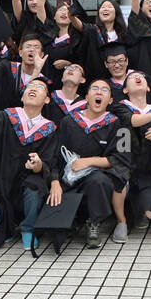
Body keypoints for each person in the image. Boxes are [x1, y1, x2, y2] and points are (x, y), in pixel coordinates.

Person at [0, 78, 62, 251]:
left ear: (47, 100)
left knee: (35, 186)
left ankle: (29, 228)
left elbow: (51, 161)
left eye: (40, 87)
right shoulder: (5, 117)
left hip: (27, 190)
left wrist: (39, 166)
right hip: (0, 187)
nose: (33, 88)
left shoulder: (49, 129)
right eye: (29, 86)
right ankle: (6, 227)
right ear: (22, 96)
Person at [53, 78, 132, 246]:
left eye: (104, 90)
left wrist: (89, 162)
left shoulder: (118, 124)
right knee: (57, 232)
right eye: (94, 88)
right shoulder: (68, 122)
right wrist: (54, 180)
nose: (98, 92)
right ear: (86, 97)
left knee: (99, 181)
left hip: (97, 179)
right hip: (69, 177)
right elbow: (55, 154)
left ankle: (94, 223)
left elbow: (122, 159)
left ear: (110, 100)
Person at [111, 69, 151, 227]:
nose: (137, 77)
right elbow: (131, 120)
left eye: (142, 77)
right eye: (131, 77)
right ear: (125, 90)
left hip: (149, 175)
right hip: (124, 173)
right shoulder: (119, 108)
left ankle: (139, 206)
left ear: (148, 88)